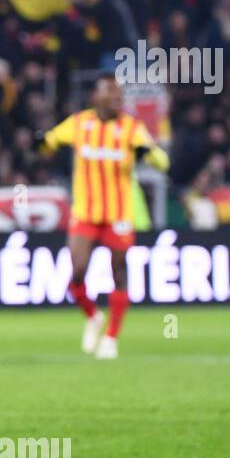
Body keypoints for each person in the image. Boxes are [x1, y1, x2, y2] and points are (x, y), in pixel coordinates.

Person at [38, 75, 169, 359]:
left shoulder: (131, 128)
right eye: (111, 96)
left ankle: (111, 338)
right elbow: (49, 142)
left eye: (120, 97)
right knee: (76, 271)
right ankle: (93, 315)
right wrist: (40, 143)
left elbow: (162, 161)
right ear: (95, 98)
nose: (117, 101)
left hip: (119, 213)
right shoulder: (79, 123)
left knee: (119, 271)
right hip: (85, 212)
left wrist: (149, 153)